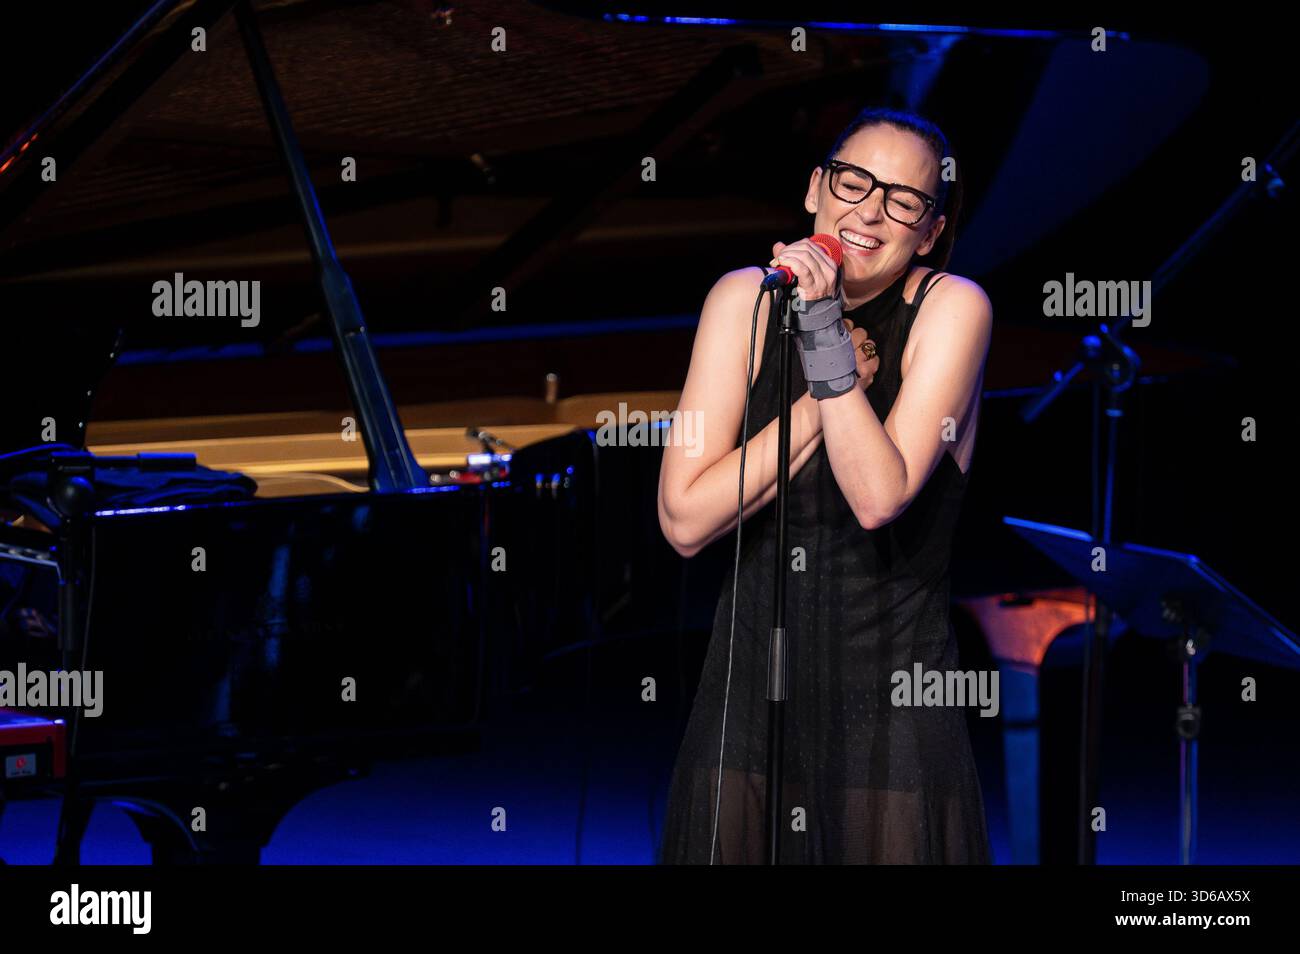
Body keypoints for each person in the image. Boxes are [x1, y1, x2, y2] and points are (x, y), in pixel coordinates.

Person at [656, 107, 993, 863]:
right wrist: (818, 395)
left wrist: (826, 336)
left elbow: (879, 496)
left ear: (929, 232)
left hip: (891, 707)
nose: (870, 211)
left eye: (904, 201)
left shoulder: (952, 308)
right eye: (853, 182)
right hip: (747, 700)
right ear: (816, 188)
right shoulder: (742, 298)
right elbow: (682, 520)